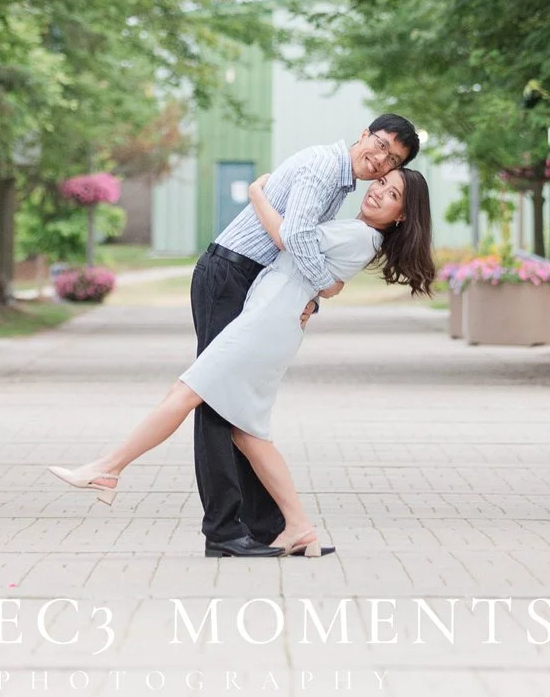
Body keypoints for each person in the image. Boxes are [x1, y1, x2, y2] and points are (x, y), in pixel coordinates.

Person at [45, 162, 435, 554]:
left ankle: (108, 468)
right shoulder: (360, 236)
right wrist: (317, 296)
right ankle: (299, 527)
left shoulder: (359, 236)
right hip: (270, 319)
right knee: (247, 432)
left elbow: (289, 239)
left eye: (393, 194)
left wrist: (256, 196)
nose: (378, 191)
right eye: (382, 182)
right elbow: (327, 280)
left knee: (185, 393)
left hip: (266, 323)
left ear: (402, 215)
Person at [184, 116, 416, 556]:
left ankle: (266, 527)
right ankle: (223, 532)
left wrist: (314, 295)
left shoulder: (342, 184)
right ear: (364, 133)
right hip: (228, 272)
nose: (381, 160)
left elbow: (306, 249)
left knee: (235, 405)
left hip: (251, 279)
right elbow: (296, 239)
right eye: (381, 144)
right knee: (215, 402)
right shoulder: (323, 167)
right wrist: (326, 286)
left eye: (392, 160)